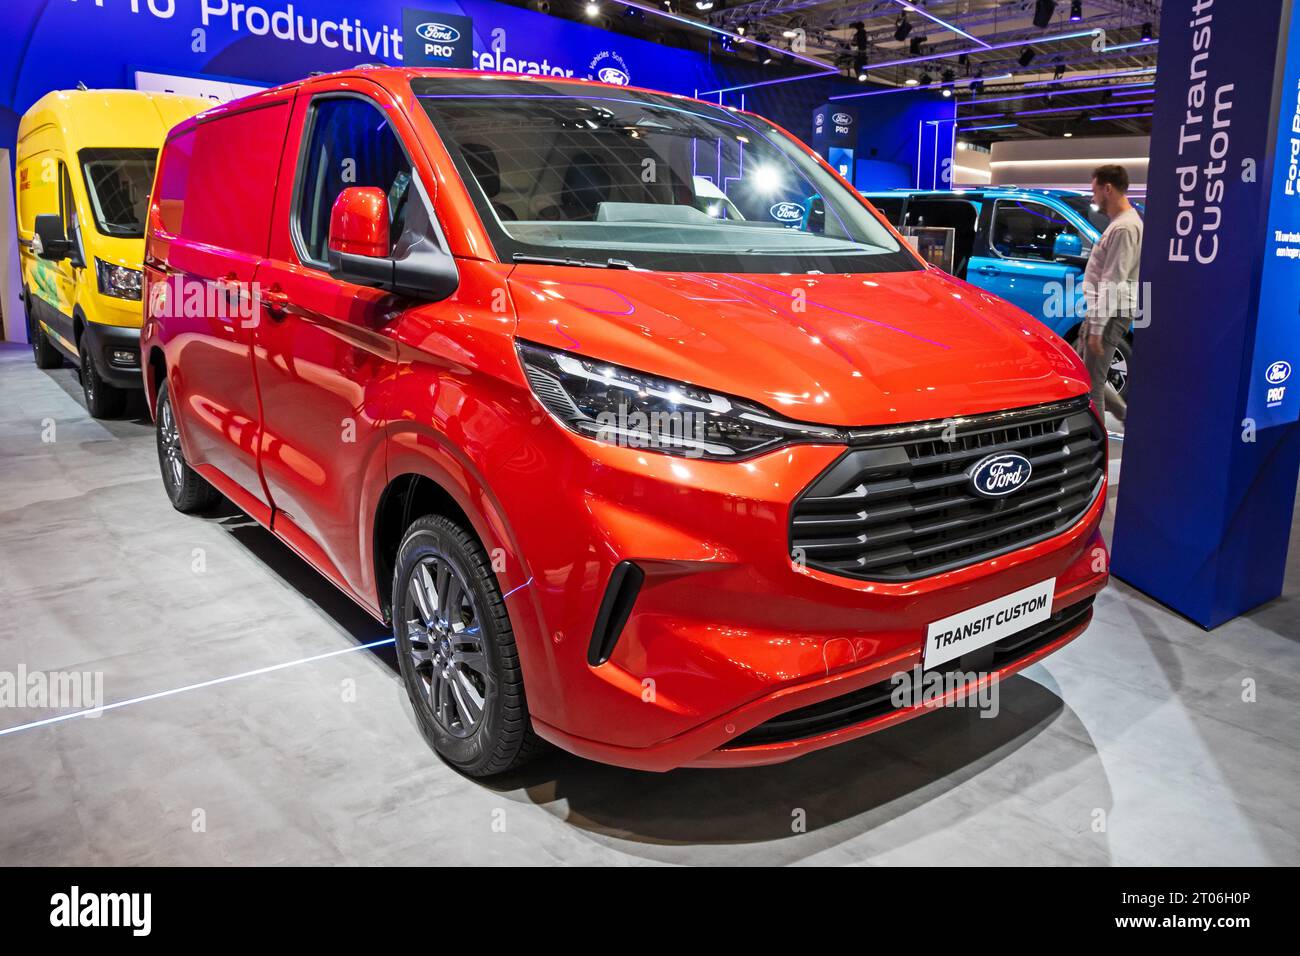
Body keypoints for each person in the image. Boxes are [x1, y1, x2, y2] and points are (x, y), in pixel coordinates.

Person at [1082, 164, 1143, 424]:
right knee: (1090, 375)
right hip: (1109, 311)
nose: (1093, 197)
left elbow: (1113, 280)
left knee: (1092, 385)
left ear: (1108, 188)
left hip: (1111, 313)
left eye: (1095, 191)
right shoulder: (1122, 224)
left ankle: (1096, 442)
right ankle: (1126, 416)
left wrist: (1096, 327)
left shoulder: (1124, 228)